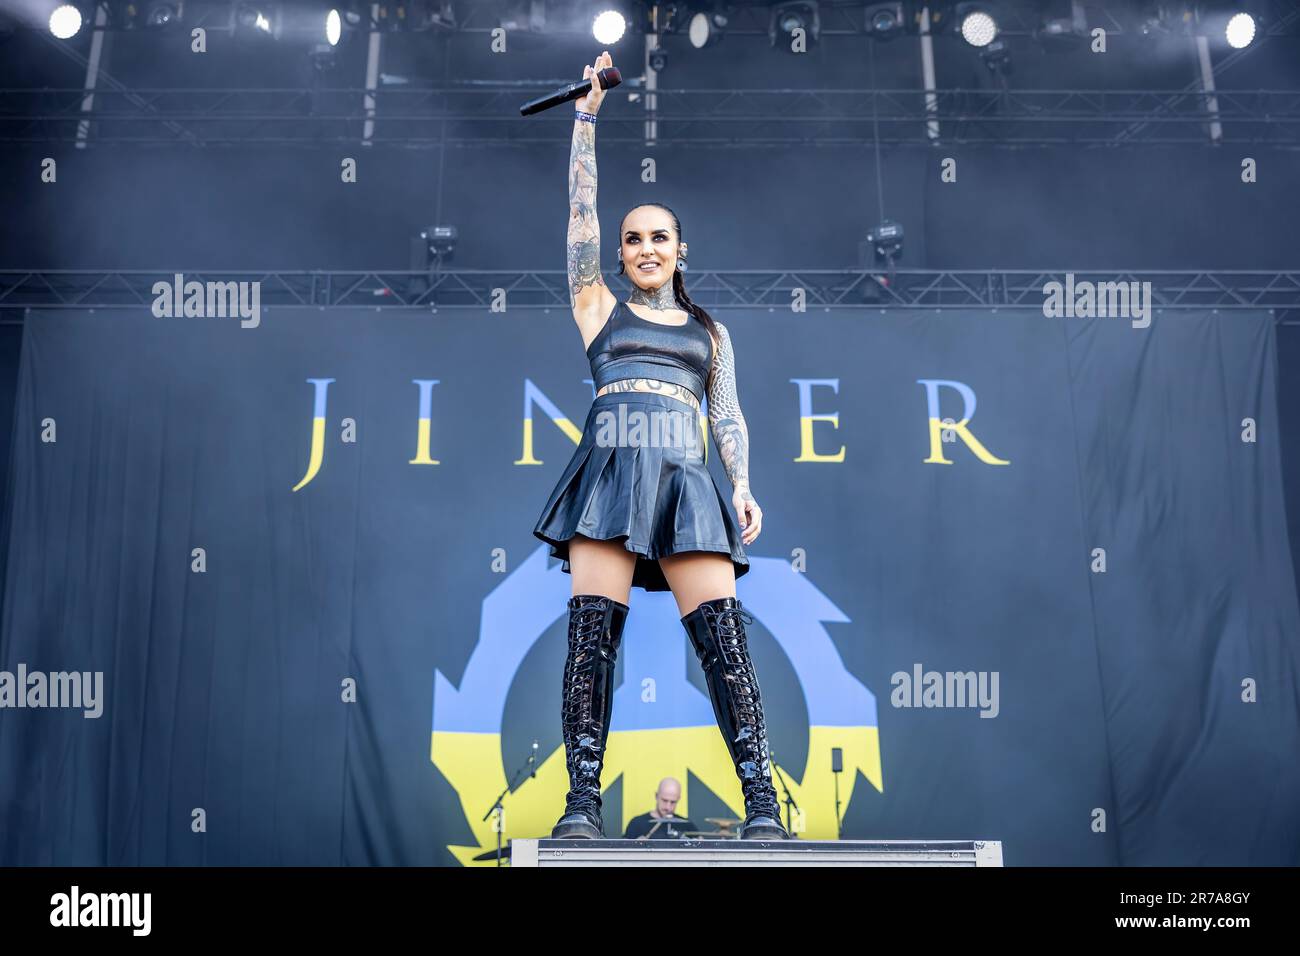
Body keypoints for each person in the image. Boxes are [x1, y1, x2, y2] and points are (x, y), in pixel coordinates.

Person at [533, 51, 788, 842]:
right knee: (589, 643)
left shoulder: (712, 332)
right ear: (618, 253)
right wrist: (585, 119)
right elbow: (579, 212)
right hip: (609, 477)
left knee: (726, 647)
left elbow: (730, 414)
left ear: (681, 250)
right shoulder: (596, 307)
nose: (645, 247)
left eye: (660, 237)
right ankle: (582, 806)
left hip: (685, 481)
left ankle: (763, 809)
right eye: (633, 238)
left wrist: (741, 484)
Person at [623, 778, 698, 840]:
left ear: (678, 799)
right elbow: (622, 852)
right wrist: (635, 845)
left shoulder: (687, 825)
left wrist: (699, 843)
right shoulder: (637, 823)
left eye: (673, 802)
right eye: (664, 800)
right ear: (656, 796)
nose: (668, 807)